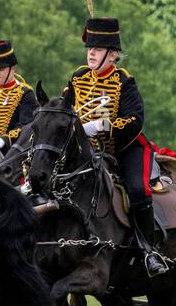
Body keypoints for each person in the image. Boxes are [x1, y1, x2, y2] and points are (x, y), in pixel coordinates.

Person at [61, 17, 166, 276]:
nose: (91, 53)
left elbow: (134, 120)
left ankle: (149, 251)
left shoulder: (124, 81)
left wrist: (102, 125)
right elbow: (63, 110)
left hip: (125, 149)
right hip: (88, 152)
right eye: (90, 48)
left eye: (97, 49)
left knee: (137, 190)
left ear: (113, 54)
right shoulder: (78, 78)